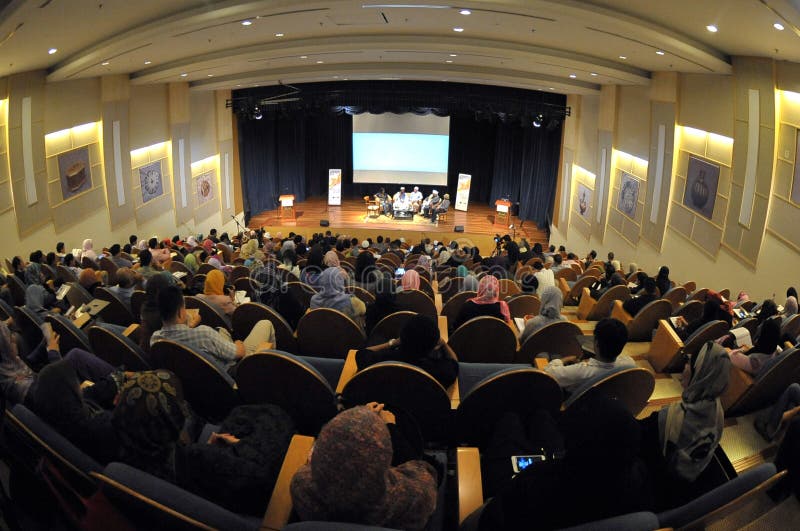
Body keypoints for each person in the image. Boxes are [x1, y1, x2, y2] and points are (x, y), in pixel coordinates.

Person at [475, 396, 651, 530]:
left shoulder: (535, 481)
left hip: (512, 493)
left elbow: (488, 519)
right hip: (577, 476)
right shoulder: (640, 485)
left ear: (569, 440)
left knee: (510, 419)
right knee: (542, 415)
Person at [290, 406, 438, 530]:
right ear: (386, 458)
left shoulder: (301, 488)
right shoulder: (413, 498)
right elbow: (423, 471)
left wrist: (356, 417)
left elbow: (331, 456)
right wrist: (390, 428)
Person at [638, 341, 730, 509]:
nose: (684, 367)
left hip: (661, 492)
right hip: (691, 482)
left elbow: (639, 440)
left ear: (700, 373)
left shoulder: (672, 418)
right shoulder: (718, 411)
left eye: (689, 362)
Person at [150, 286, 275, 376]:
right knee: (265, 324)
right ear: (180, 312)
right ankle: (270, 374)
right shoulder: (204, 334)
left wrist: (189, 325)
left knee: (221, 330)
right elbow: (240, 352)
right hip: (233, 374)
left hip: (201, 385)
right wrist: (238, 343)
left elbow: (178, 336)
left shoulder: (156, 339)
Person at [357, 314, 458, 388]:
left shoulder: (383, 360)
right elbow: (454, 363)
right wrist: (444, 344)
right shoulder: (439, 372)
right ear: (433, 347)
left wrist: (392, 343)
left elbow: (361, 353)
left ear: (401, 337)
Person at [543, 318, 635, 392]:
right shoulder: (629, 364)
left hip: (572, 402)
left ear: (596, 343)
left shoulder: (581, 371)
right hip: (600, 401)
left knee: (545, 355)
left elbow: (548, 373)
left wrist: (564, 360)